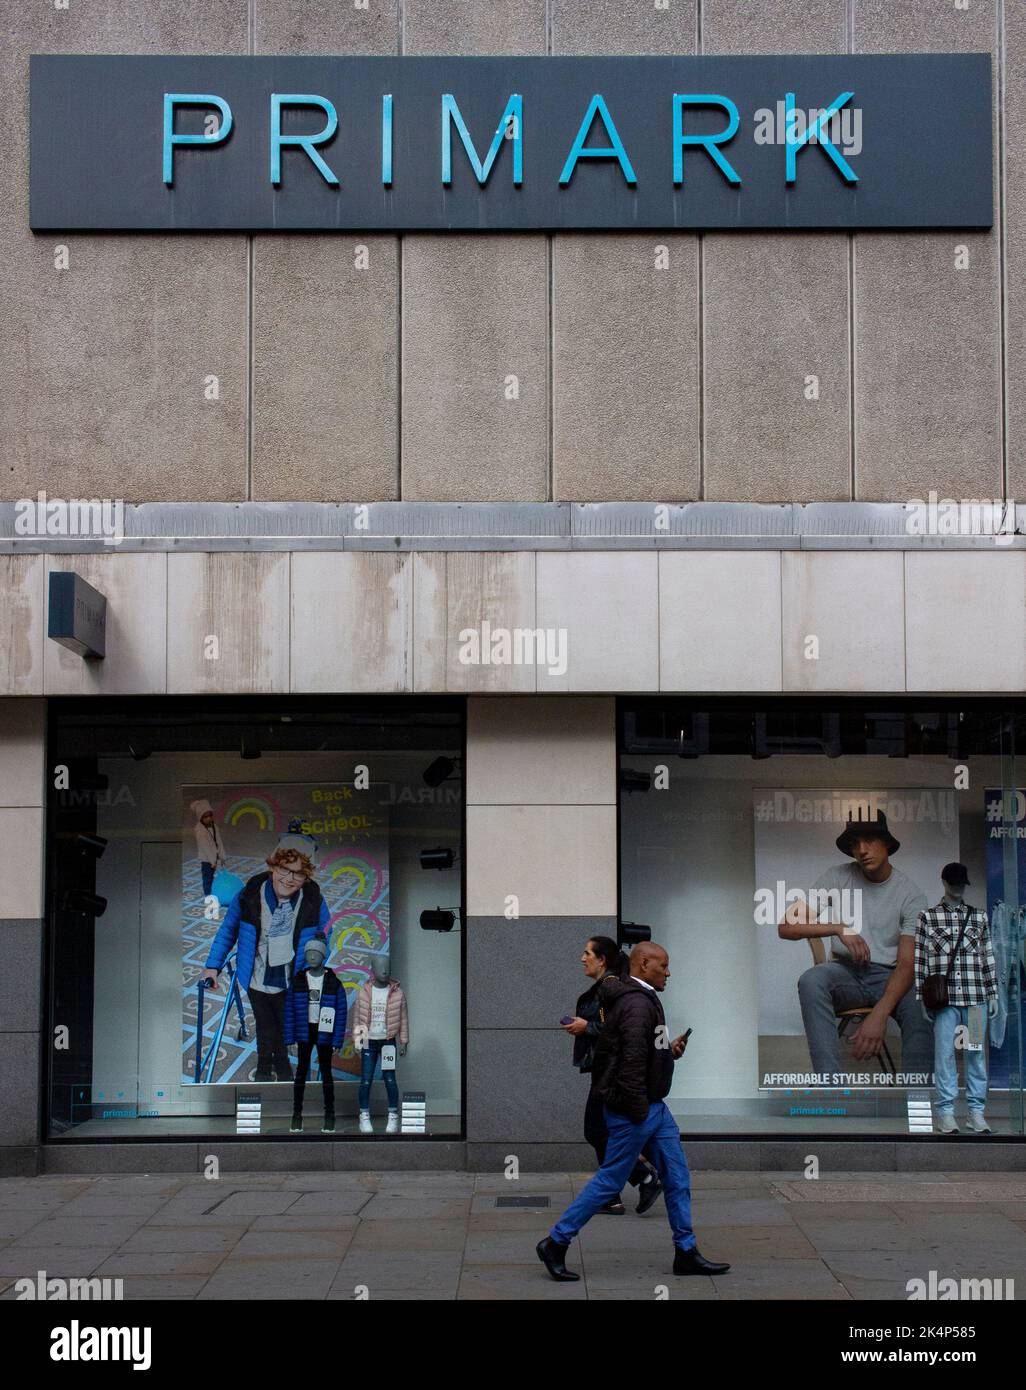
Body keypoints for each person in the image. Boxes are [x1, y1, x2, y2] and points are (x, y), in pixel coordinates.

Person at [537, 942, 729, 1282]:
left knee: (678, 1177)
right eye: (663, 965)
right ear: (643, 964)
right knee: (610, 1179)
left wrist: (669, 1053)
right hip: (637, 1110)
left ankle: (686, 1252)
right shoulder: (637, 1004)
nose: (668, 972)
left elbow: (642, 1053)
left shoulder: (641, 999)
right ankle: (555, 1242)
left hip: (653, 1108)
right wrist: (640, 1112)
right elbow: (629, 1065)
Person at [778, 810, 932, 1085]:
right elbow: (786, 926)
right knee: (811, 981)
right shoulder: (836, 877)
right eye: (855, 843)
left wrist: (879, 1015)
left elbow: (907, 965)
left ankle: (917, 1100)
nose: (862, 850)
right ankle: (831, 1087)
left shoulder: (911, 895)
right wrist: (838, 927)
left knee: (920, 1004)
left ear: (887, 844)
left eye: (870, 840)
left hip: (891, 977)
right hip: (846, 974)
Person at [199, 829, 330, 1082]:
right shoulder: (250, 893)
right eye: (284, 869)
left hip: (290, 977)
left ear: (307, 876)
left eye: (299, 873)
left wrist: (318, 956)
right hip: (256, 974)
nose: (289, 878)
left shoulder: (313, 898)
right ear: (273, 865)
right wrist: (212, 965)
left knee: (282, 1024)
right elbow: (228, 930)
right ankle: (263, 1063)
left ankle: (281, 1062)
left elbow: (326, 931)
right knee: (263, 1023)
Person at [563, 935, 662, 1215]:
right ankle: (617, 1193)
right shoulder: (608, 987)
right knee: (602, 1131)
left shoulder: (612, 987)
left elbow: (619, 1028)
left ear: (602, 959)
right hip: (605, 1071)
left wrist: (587, 1027)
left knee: (598, 1130)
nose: (582, 958)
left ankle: (642, 1177)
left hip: (611, 1073)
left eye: (587, 954)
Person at [191, 798, 226, 899]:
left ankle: (213, 892)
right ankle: (208, 896)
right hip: (207, 860)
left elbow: (219, 841)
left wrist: (222, 856)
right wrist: (212, 862)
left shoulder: (214, 826)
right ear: (200, 817)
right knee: (207, 878)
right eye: (205, 816)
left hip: (215, 858)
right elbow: (206, 848)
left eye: (210, 815)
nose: (209, 818)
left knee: (215, 877)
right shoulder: (200, 831)